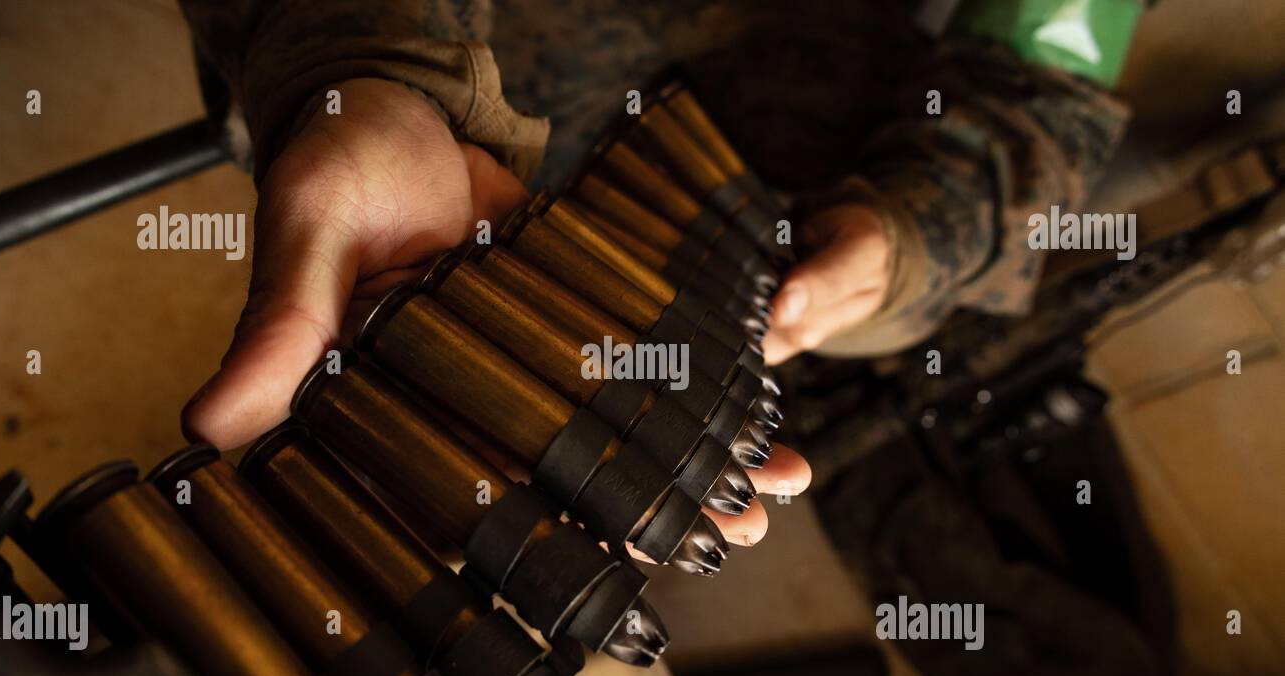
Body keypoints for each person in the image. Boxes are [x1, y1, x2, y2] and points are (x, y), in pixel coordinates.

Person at [175, 0, 1126, 553]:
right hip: (467, 56)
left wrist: (922, 235)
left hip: (808, 53)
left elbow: (1054, 52)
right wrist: (368, 68)